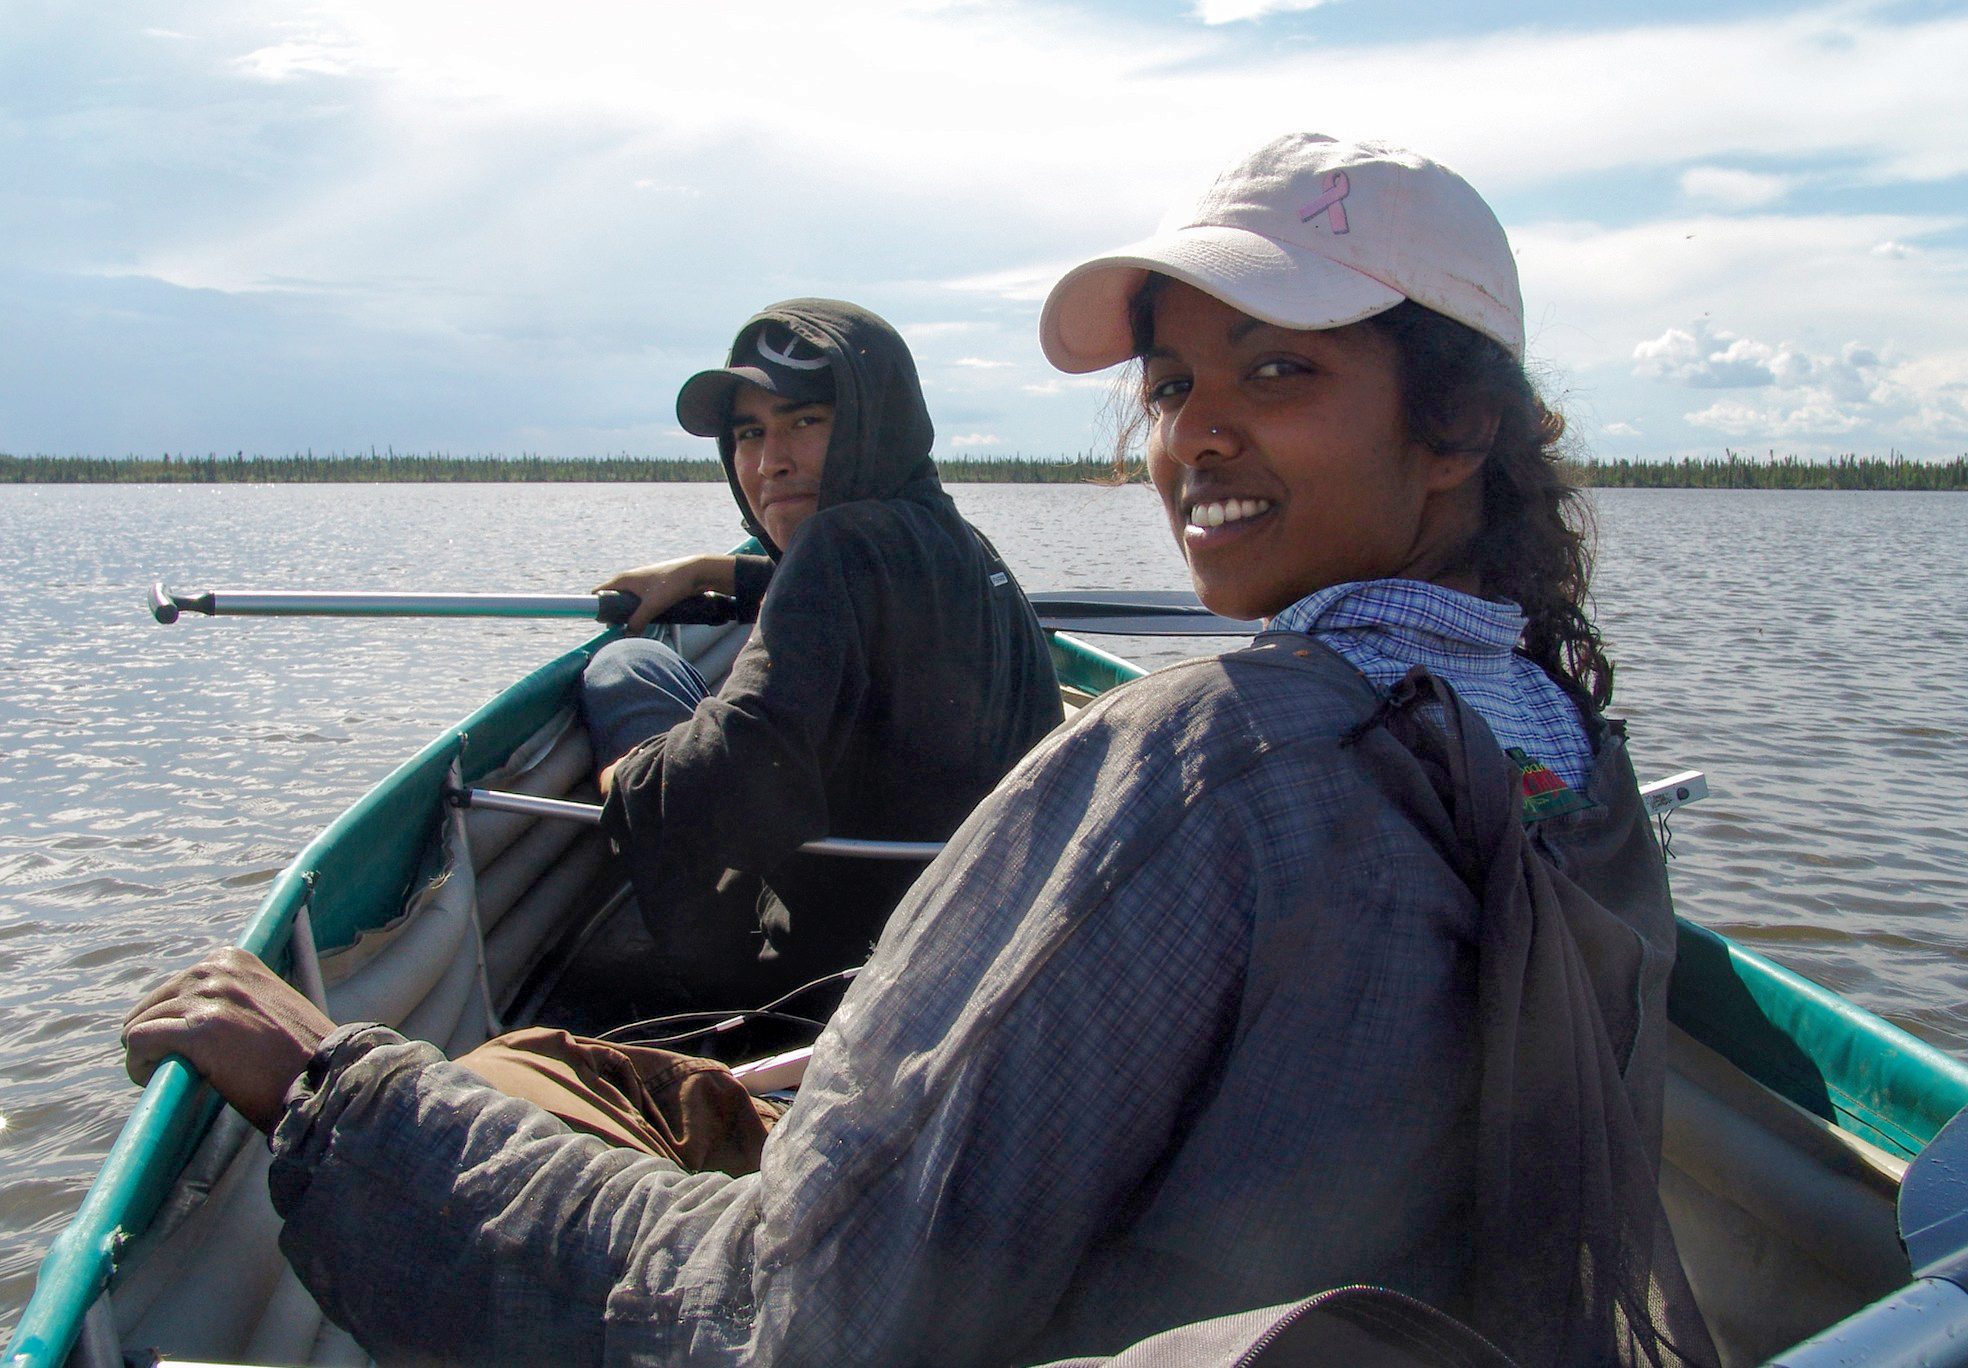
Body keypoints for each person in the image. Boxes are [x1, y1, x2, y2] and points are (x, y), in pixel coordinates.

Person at [124, 134, 1713, 1367]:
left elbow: (780, 1331)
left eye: (1277, 368)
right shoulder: (1558, 743)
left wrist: (339, 1087)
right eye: (1170, 387)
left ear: (1455, 425)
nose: (1194, 436)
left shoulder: (1217, 761)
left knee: (501, 1070)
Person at [579, 299, 1063, 1010]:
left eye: (805, 422)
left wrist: (624, 779)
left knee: (627, 670)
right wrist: (708, 571)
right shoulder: (955, 543)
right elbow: (852, 598)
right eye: (749, 433)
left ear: (874, 425)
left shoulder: (833, 545)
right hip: (969, 945)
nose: (771, 462)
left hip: (813, 977)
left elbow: (728, 774)